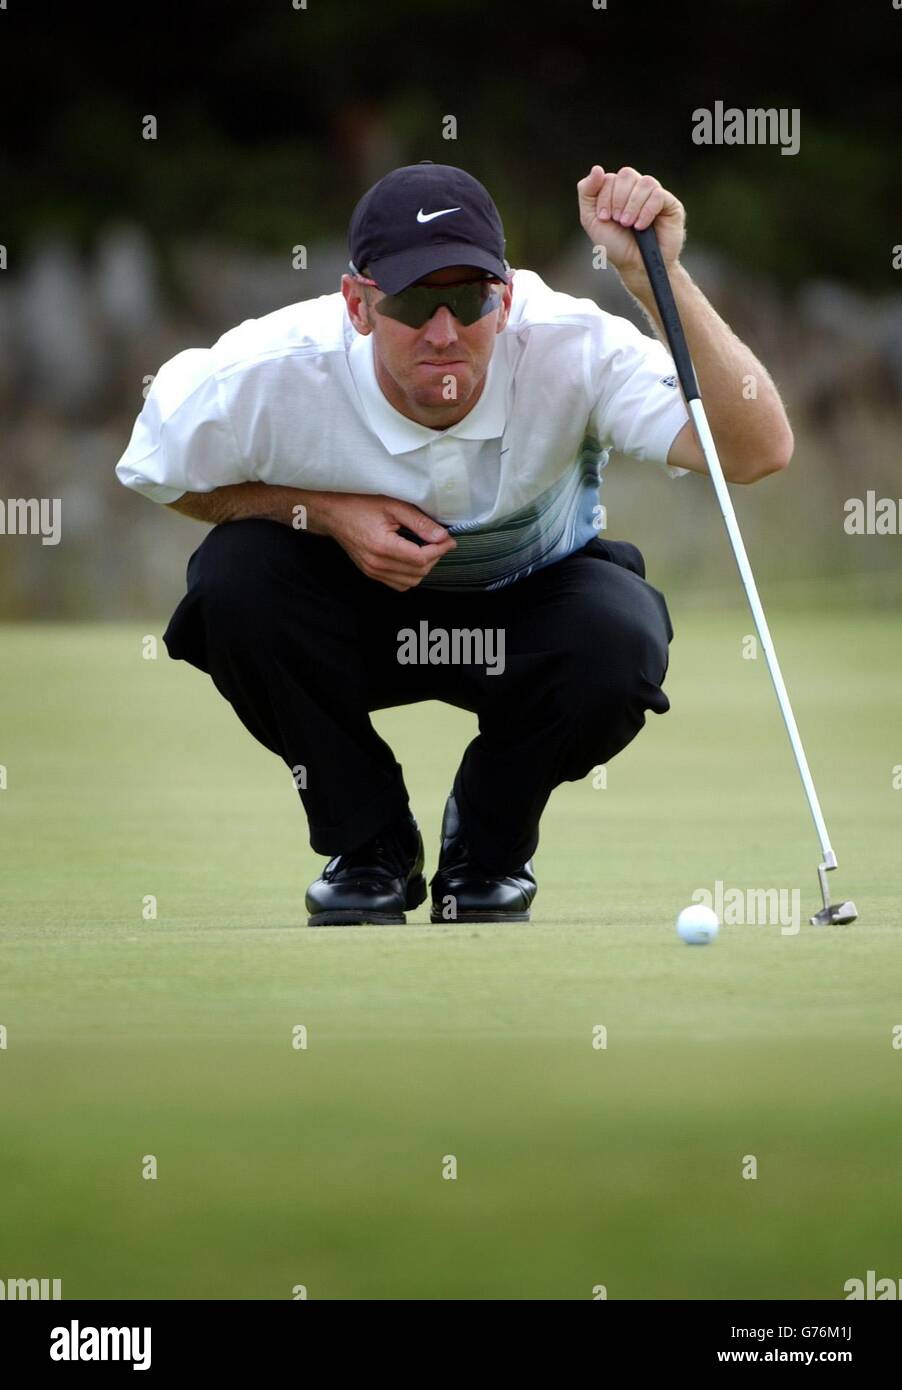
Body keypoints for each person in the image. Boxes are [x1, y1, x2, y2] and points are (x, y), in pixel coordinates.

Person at [115, 160, 793, 926]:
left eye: (469, 298)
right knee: (233, 582)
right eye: (413, 300)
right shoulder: (271, 370)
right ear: (358, 304)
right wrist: (323, 512)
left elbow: (757, 449)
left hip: (529, 619)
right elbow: (156, 470)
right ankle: (370, 844)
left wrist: (657, 278)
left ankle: (487, 845)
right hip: (357, 619)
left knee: (618, 635)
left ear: (502, 301)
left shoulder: (571, 345)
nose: (444, 332)